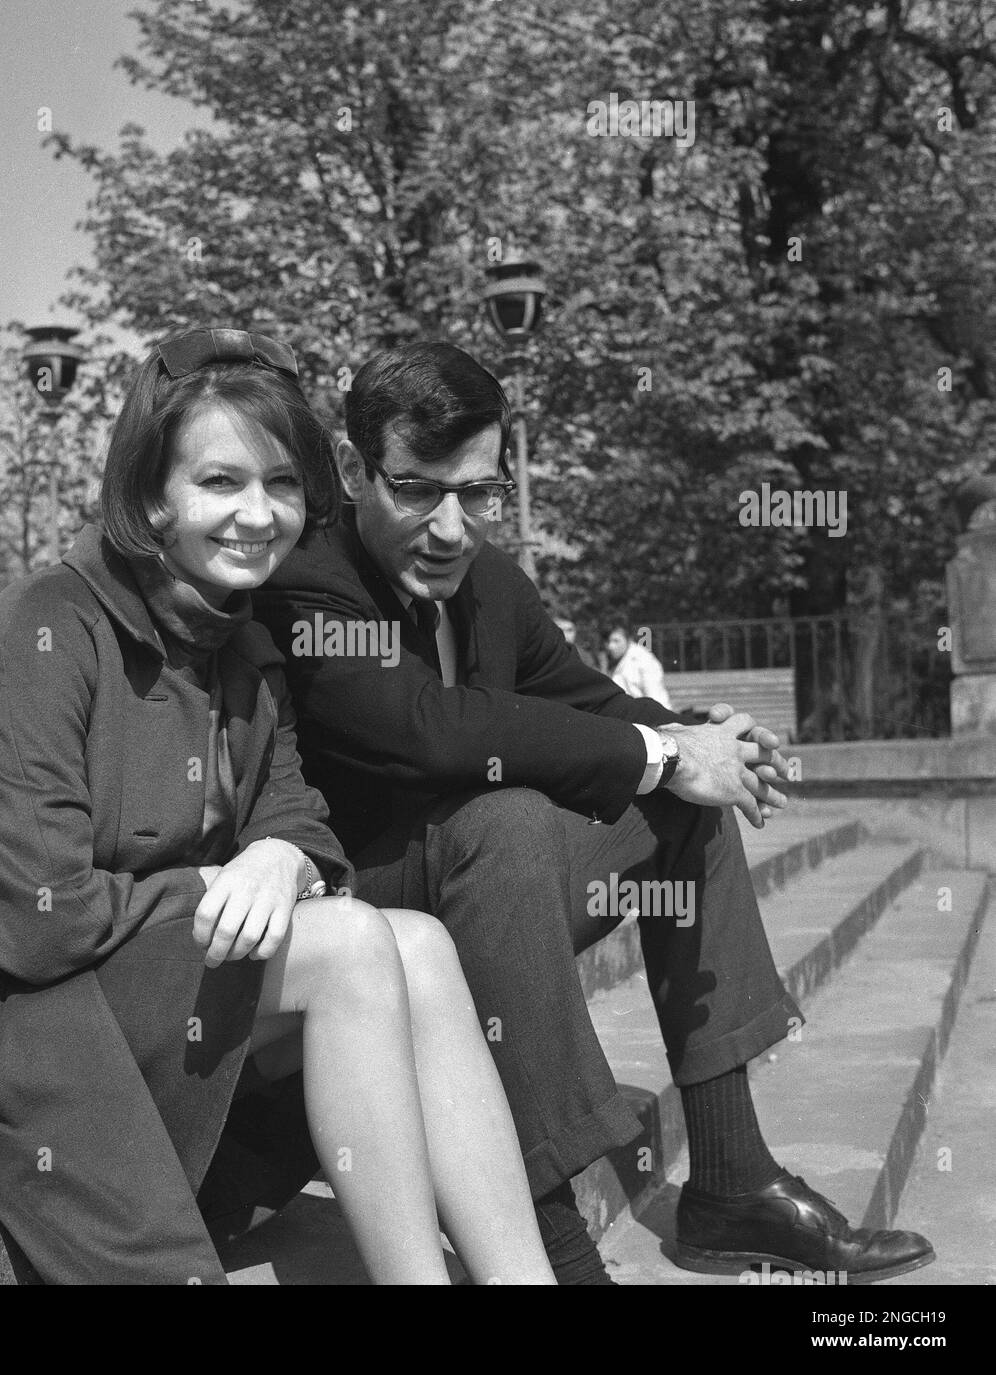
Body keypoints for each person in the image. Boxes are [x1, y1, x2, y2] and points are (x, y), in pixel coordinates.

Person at [0, 328, 555, 1285]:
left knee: (419, 945)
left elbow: (299, 817)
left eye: (280, 484)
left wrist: (282, 859)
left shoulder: (238, 647)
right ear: (154, 495)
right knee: (355, 945)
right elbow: (37, 922)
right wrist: (209, 882)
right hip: (3, 1019)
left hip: (137, 985)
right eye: (221, 482)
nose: (259, 514)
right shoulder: (43, 629)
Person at [251, 340, 934, 1284]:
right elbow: (423, 730)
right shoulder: (308, 578)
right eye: (418, 490)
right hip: (367, 914)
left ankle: (731, 1181)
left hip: (496, 888)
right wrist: (658, 755)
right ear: (355, 468)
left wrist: (703, 740)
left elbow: (588, 701)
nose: (453, 527)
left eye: (480, 494)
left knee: (686, 800)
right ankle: (557, 1248)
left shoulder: (487, 583)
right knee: (513, 820)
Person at [605, 621, 673, 707]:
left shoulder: (643, 660)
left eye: (616, 641)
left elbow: (655, 699)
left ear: (629, 640)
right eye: (608, 641)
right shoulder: (616, 661)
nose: (610, 646)